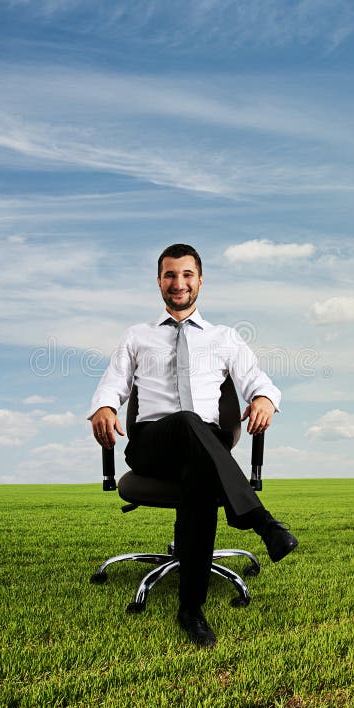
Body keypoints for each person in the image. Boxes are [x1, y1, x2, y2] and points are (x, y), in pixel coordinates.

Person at [88, 243, 298, 647]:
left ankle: (191, 610)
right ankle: (261, 522)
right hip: (152, 445)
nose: (178, 283)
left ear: (200, 280)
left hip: (204, 448)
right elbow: (112, 383)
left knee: (200, 476)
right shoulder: (137, 336)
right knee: (187, 421)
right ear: (159, 282)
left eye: (187, 275)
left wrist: (265, 399)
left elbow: (258, 380)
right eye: (170, 275)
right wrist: (103, 407)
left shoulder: (224, 338)